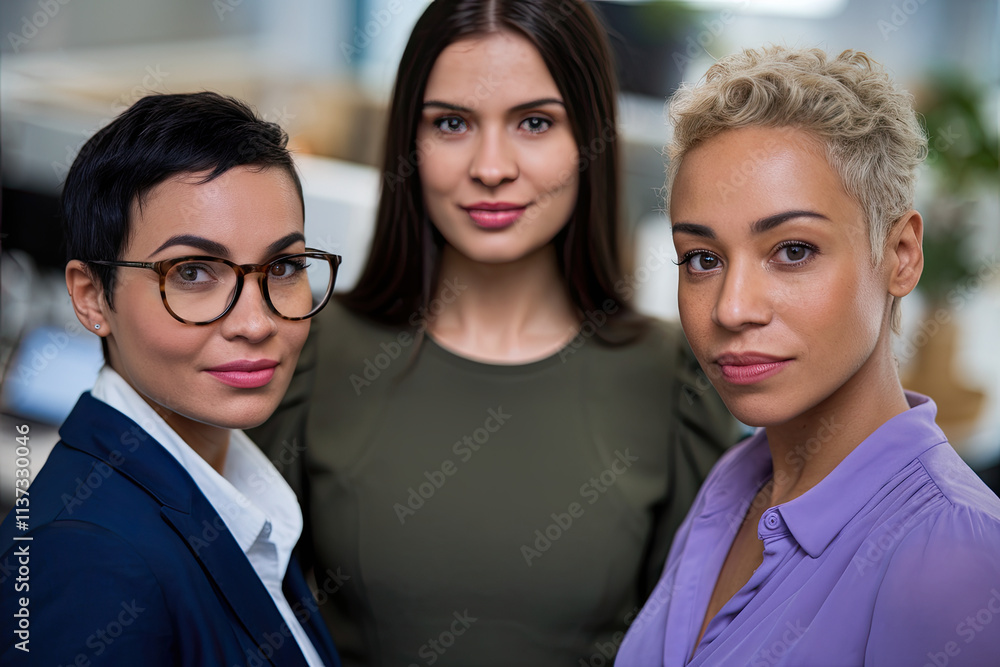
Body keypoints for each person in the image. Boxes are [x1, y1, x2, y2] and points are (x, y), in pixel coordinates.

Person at [248, 1, 740, 665]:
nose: (490, 165)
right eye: (451, 123)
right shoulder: (310, 350)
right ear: (408, 144)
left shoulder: (673, 377)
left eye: (534, 122)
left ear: (590, 138)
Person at [615, 46, 1000, 666]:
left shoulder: (954, 560)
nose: (732, 308)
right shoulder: (734, 483)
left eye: (792, 250)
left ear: (900, 255)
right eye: (702, 259)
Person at [0, 92, 343, 666]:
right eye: (192, 272)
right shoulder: (85, 558)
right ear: (92, 298)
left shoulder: (234, 497)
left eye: (283, 267)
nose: (256, 322)